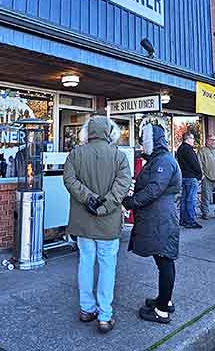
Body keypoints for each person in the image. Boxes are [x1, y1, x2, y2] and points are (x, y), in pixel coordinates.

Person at [63, 116, 132, 334]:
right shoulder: (119, 157)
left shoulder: (75, 154)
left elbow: (69, 180)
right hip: (108, 222)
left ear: (87, 132)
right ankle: (104, 315)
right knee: (107, 267)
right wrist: (103, 206)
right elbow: (122, 186)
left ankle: (86, 309)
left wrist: (89, 198)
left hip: (83, 221)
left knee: (85, 263)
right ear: (109, 132)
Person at [123, 124, 181, 324]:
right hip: (159, 217)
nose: (140, 144)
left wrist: (132, 202)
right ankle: (164, 299)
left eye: (143, 140)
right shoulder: (160, 159)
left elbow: (155, 188)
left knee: (164, 261)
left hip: (161, 218)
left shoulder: (163, 161)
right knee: (162, 260)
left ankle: (162, 310)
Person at [175, 132, 203, 229]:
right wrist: (200, 174)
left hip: (184, 176)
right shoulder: (188, 150)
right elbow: (194, 163)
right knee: (191, 199)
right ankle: (190, 220)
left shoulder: (180, 149)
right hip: (191, 177)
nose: (193, 140)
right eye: (192, 138)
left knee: (184, 199)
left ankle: (183, 220)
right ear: (187, 139)